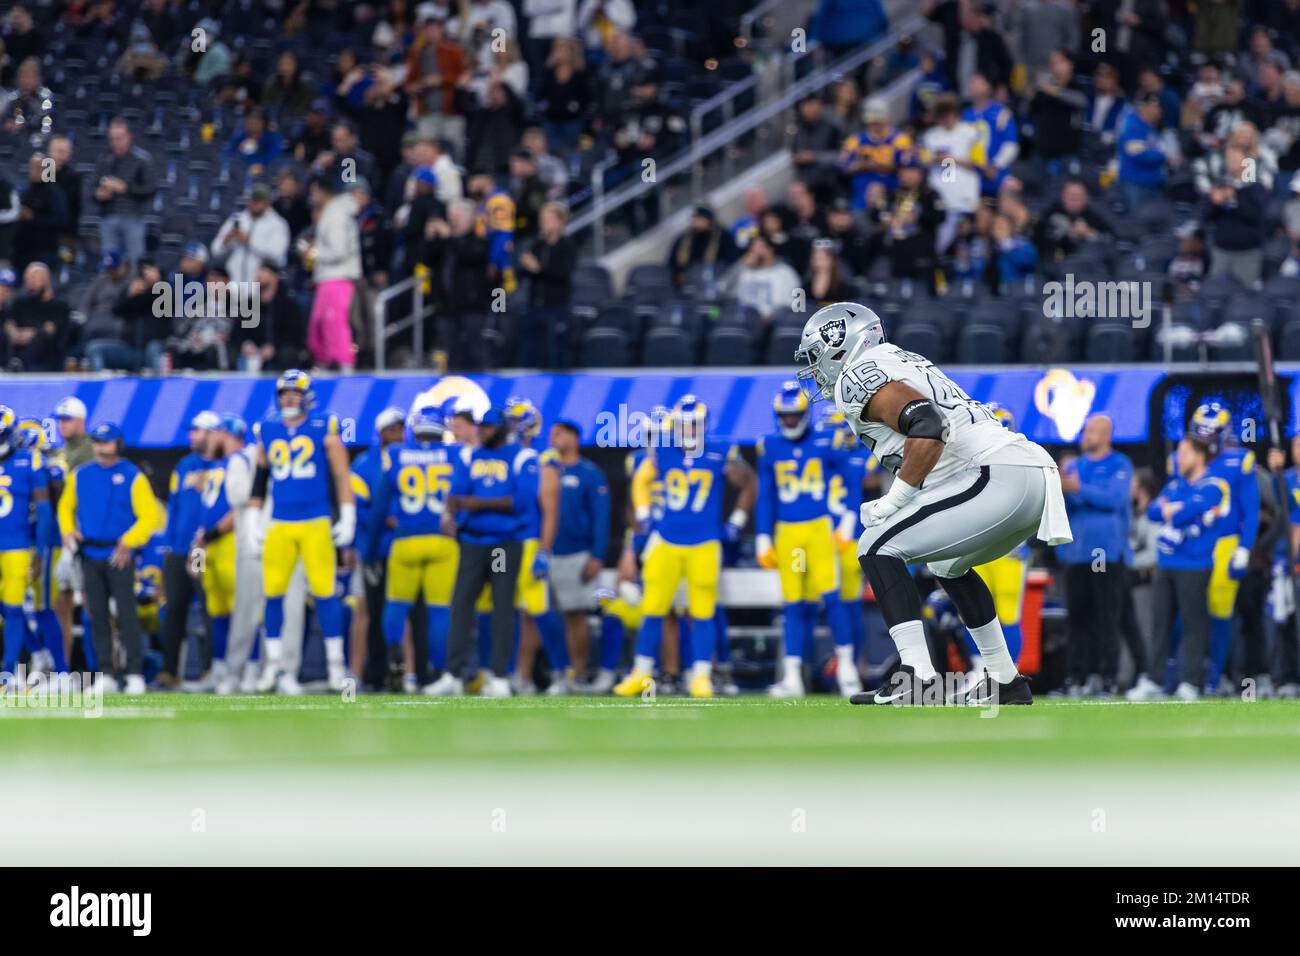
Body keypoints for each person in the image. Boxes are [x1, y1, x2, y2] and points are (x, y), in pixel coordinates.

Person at [793, 302, 1072, 705]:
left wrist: (895, 499)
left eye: (817, 358)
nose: (816, 371)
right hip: (1026, 476)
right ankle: (1006, 680)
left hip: (997, 475)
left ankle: (917, 676)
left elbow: (928, 425)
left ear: (841, 347)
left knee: (875, 544)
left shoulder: (858, 374)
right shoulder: (898, 360)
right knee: (947, 565)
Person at [614, 395, 757, 699]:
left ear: (704, 426)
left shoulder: (720, 451)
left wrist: (738, 518)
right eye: (684, 425)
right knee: (652, 607)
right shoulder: (663, 449)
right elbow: (641, 481)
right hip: (666, 539)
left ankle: (701, 675)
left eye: (694, 425)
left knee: (702, 611)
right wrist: (642, 512)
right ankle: (641, 673)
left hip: (704, 542)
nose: (690, 431)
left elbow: (748, 482)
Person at [245, 370, 355, 694]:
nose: (289, 398)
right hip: (280, 522)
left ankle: (337, 668)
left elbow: (341, 475)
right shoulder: (267, 428)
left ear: (307, 395)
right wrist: (254, 515)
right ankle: (274, 668)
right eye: (284, 393)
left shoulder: (325, 427)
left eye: (294, 392)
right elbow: (261, 477)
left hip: (315, 521)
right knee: (273, 594)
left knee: (325, 593)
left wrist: (347, 515)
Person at [756, 382, 862, 699]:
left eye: (794, 416)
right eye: (785, 417)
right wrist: (762, 535)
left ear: (805, 414)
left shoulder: (826, 441)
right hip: (789, 535)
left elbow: (851, 482)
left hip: (818, 530)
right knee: (794, 605)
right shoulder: (770, 447)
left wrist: (847, 520)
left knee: (832, 599)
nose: (790, 422)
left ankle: (847, 668)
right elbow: (766, 496)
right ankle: (793, 676)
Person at [57, 422, 163, 694]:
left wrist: (129, 542)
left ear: (118, 443)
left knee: (127, 615)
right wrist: (68, 532)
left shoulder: (132, 475)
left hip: (119, 555)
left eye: (107, 441)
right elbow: (65, 507)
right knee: (97, 615)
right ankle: (106, 673)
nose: (101, 446)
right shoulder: (81, 474)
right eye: (98, 441)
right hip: (89, 552)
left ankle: (135, 673)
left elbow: (149, 516)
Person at [430, 406, 529, 697]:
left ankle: (498, 674)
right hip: (472, 542)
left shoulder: (518, 457)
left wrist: (478, 503)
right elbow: (456, 493)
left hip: (501, 544)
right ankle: (453, 674)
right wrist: (450, 514)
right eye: (480, 426)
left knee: (501, 607)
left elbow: (519, 501)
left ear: (501, 428)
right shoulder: (471, 456)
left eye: (488, 427)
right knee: (461, 605)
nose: (483, 431)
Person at [367, 404, 460, 693]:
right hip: (442, 540)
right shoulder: (455, 454)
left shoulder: (396, 455)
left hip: (405, 538)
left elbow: (380, 507)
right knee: (439, 610)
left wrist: (370, 551)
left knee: (396, 605)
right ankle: (437, 672)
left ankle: (396, 655)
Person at [1137, 436, 1224, 701]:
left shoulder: (1213, 485)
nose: (1178, 458)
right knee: (1160, 624)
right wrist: (1178, 509)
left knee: (1193, 625)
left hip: (1195, 565)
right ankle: (1154, 680)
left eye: (1184, 453)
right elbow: (1152, 512)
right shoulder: (1174, 485)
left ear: (1199, 456)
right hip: (1166, 564)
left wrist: (1175, 510)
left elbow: (1193, 509)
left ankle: (1192, 683)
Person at [1055, 414, 1132, 696]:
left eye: (1092, 431)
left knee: (1106, 618)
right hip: (1076, 554)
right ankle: (1076, 676)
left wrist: (1079, 488)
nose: (1086, 436)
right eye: (1086, 430)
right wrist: (1063, 488)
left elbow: (1114, 499)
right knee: (1077, 619)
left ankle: (1107, 676)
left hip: (1107, 553)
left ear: (1107, 435)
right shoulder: (1074, 465)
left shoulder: (1120, 464)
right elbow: (1065, 502)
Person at [155, 411, 221, 689]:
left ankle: (211, 670)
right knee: (174, 610)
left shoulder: (225, 465)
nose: (192, 435)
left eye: (197, 430)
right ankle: (170, 671)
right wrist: (169, 546)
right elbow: (174, 506)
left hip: (207, 546)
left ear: (212, 433)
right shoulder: (184, 465)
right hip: (180, 547)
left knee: (211, 610)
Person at [547, 418, 612, 691]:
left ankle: (579, 672)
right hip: (546, 552)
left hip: (576, 553)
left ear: (574, 437)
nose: (554, 440)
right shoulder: (546, 470)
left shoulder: (589, 473)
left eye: (559, 434)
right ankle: (555, 672)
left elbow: (601, 516)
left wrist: (597, 555)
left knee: (575, 616)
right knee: (542, 617)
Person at [0, 406, 55, 682]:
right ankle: (36, 651)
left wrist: (41, 552)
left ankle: (8, 670)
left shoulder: (30, 460)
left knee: (12, 606)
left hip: (17, 545)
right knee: (7, 607)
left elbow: (44, 510)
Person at [305, 172, 362, 372]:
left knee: (335, 326)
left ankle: (345, 371)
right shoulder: (331, 211)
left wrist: (313, 253)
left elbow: (338, 250)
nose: (311, 197)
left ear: (322, 191)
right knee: (318, 329)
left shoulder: (337, 214)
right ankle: (326, 368)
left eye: (314, 192)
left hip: (337, 278)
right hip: (327, 278)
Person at [93, 119, 158, 264]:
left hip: (133, 217)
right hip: (108, 217)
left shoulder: (142, 159)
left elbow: (151, 188)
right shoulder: (103, 159)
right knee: (109, 263)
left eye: (119, 138)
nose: (116, 142)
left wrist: (126, 188)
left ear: (129, 136)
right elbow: (93, 187)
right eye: (112, 139)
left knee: (136, 262)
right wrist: (99, 194)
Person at [210, 183, 291, 286]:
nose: (254, 203)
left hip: (260, 285)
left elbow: (277, 256)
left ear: (268, 203)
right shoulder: (237, 218)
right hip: (234, 281)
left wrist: (250, 242)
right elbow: (215, 249)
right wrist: (226, 241)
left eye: (258, 201)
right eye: (253, 199)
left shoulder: (278, 224)